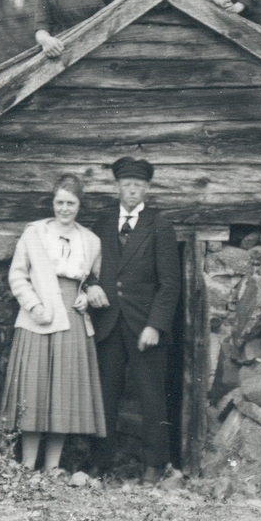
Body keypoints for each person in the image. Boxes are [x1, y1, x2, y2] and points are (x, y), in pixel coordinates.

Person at [0, 174, 109, 471]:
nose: (64, 208)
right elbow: (17, 275)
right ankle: (27, 463)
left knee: (63, 394)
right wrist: (34, 305)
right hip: (39, 314)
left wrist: (86, 296)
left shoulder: (91, 240)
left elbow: (92, 280)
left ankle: (51, 467)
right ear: (52, 203)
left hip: (72, 317)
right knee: (35, 390)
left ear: (79, 206)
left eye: (70, 203)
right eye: (59, 202)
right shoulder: (34, 233)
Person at [89, 157, 181, 483]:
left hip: (144, 326)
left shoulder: (160, 224)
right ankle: (99, 463)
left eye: (138, 185)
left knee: (152, 395)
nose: (132, 190)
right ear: (117, 187)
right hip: (108, 324)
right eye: (127, 184)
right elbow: (85, 267)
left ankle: (154, 465)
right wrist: (91, 287)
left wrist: (156, 325)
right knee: (105, 395)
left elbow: (170, 283)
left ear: (148, 189)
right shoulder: (101, 223)